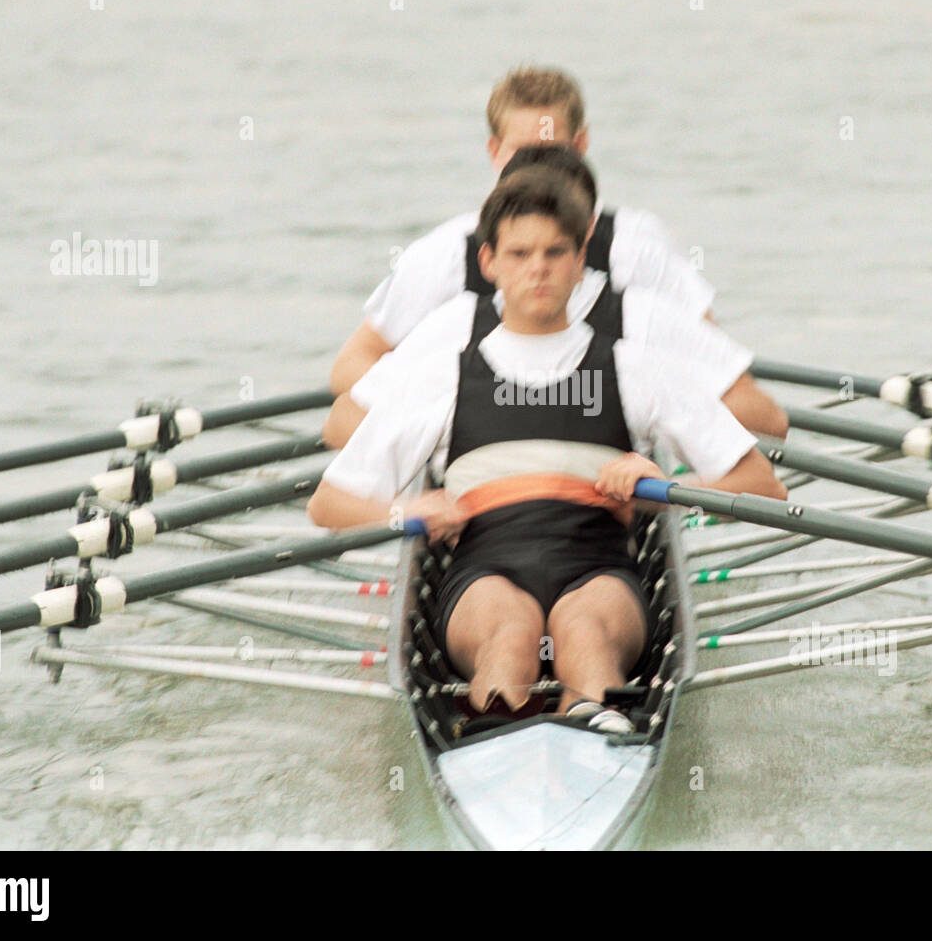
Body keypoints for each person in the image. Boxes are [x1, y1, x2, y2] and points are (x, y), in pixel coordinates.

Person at [308, 169, 785, 732]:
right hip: (483, 574)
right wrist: (405, 512)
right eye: (520, 253)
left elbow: (762, 486)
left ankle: (583, 716)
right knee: (511, 637)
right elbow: (330, 505)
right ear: (490, 263)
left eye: (556, 251)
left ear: (581, 258)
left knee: (583, 633)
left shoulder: (636, 367)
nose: (538, 268)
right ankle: (511, 729)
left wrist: (664, 491)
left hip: (601, 570)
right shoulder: (443, 374)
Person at [324, 66, 787, 445]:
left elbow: (726, 384)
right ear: (494, 153)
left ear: (580, 149)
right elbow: (350, 369)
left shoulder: (635, 250)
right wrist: (462, 410)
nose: (537, 174)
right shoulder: (445, 256)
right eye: (522, 155)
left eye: (551, 154)